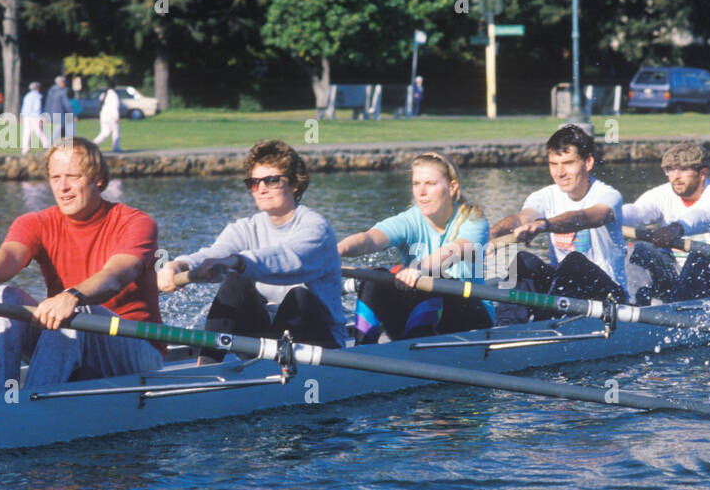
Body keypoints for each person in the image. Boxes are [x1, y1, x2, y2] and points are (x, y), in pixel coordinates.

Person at [0, 137, 164, 391]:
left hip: (139, 353)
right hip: (71, 336)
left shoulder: (136, 223)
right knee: (4, 297)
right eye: (56, 178)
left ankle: (34, 407)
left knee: (73, 309)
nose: (63, 187)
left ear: (98, 179)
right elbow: (6, 260)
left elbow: (115, 276)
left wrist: (73, 296)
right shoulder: (36, 223)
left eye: (73, 176)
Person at [157, 139, 345, 354]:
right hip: (271, 337)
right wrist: (178, 265)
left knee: (299, 296)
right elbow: (214, 253)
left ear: (295, 184)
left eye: (272, 180)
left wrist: (238, 261)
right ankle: (208, 367)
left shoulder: (316, 228)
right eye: (254, 183)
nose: (261, 189)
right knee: (236, 280)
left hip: (321, 341)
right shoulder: (246, 228)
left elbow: (288, 258)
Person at [338, 151, 492, 343]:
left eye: (430, 184)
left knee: (434, 277)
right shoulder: (410, 220)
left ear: (452, 187)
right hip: (421, 308)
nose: (421, 192)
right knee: (375, 278)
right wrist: (336, 251)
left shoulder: (474, 221)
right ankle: (363, 348)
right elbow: (369, 239)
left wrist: (418, 268)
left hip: (472, 318)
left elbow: (453, 252)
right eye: (416, 184)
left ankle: (415, 347)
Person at [490, 124, 628, 316]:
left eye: (568, 163)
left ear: (587, 163)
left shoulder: (609, 196)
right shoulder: (543, 196)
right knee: (523, 261)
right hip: (565, 291)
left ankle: (546, 319)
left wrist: (545, 224)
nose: (559, 173)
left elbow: (586, 217)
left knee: (574, 262)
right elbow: (521, 218)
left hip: (611, 297)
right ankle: (506, 327)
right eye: (553, 164)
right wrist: (491, 234)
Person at [622, 141, 710, 303]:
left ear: (702, 174)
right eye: (670, 170)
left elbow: (702, 216)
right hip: (676, 275)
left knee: (702, 255)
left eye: (683, 169)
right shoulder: (662, 194)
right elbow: (637, 211)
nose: (675, 176)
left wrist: (676, 228)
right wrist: (610, 215)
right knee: (639, 249)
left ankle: (675, 312)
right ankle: (633, 308)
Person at [19, 81, 48, 155]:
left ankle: (25, 149)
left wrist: (22, 116)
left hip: (26, 116)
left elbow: (24, 107)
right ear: (37, 88)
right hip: (34, 117)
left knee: (26, 132)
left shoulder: (27, 96)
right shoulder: (38, 96)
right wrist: (40, 117)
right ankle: (46, 145)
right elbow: (37, 108)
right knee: (39, 131)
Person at [43, 75, 73, 142]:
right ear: (61, 83)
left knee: (61, 129)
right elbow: (67, 104)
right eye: (64, 82)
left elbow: (48, 103)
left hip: (52, 113)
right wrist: (73, 114)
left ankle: (63, 145)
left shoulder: (51, 91)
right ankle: (49, 143)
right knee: (59, 129)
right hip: (60, 114)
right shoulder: (61, 92)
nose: (65, 83)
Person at [95, 82, 121, 152]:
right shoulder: (114, 95)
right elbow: (114, 106)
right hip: (112, 116)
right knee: (116, 131)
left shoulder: (103, 95)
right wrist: (116, 116)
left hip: (103, 116)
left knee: (105, 132)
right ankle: (116, 147)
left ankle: (94, 144)